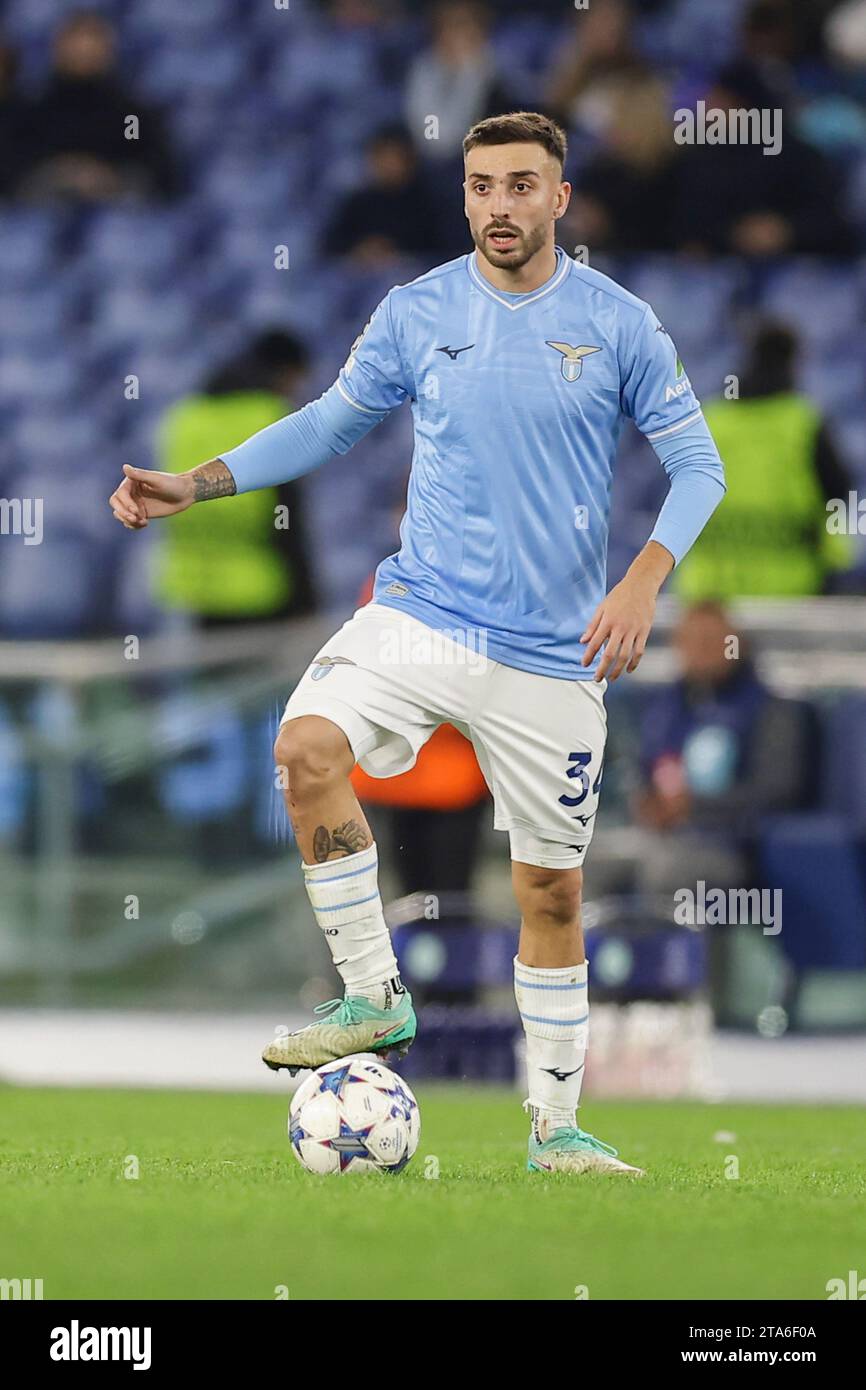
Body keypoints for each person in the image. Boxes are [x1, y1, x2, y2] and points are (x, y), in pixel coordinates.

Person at [109, 111, 726, 1177]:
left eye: (521, 185)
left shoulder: (619, 324)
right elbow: (331, 419)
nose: (500, 205)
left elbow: (699, 468)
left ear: (559, 197)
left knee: (550, 893)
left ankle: (557, 1129)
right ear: (464, 197)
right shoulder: (416, 310)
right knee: (304, 747)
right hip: (424, 611)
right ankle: (374, 995)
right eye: (482, 185)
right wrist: (200, 481)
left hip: (551, 651)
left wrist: (640, 580)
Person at [674, 320, 854, 600]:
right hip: (790, 593)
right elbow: (838, 494)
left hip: (710, 597)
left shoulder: (711, 419)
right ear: (794, 362)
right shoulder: (804, 423)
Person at [154, 331, 317, 625]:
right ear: (285, 372)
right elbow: (287, 517)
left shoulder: (185, 417)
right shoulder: (271, 416)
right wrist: (307, 599)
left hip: (196, 589)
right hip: (261, 589)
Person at [19, 10, 178, 203]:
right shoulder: (33, 111)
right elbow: (16, 163)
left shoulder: (129, 116)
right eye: (76, 43)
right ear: (57, 48)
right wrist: (61, 172)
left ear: (109, 50)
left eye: (92, 43)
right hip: (44, 209)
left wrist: (107, 177)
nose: (83, 51)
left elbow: (148, 162)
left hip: (114, 210)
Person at [324, 124, 448, 265]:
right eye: (383, 157)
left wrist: (396, 254)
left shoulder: (429, 203)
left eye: (395, 158)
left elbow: (440, 250)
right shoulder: (357, 203)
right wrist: (361, 251)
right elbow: (330, 248)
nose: (389, 165)